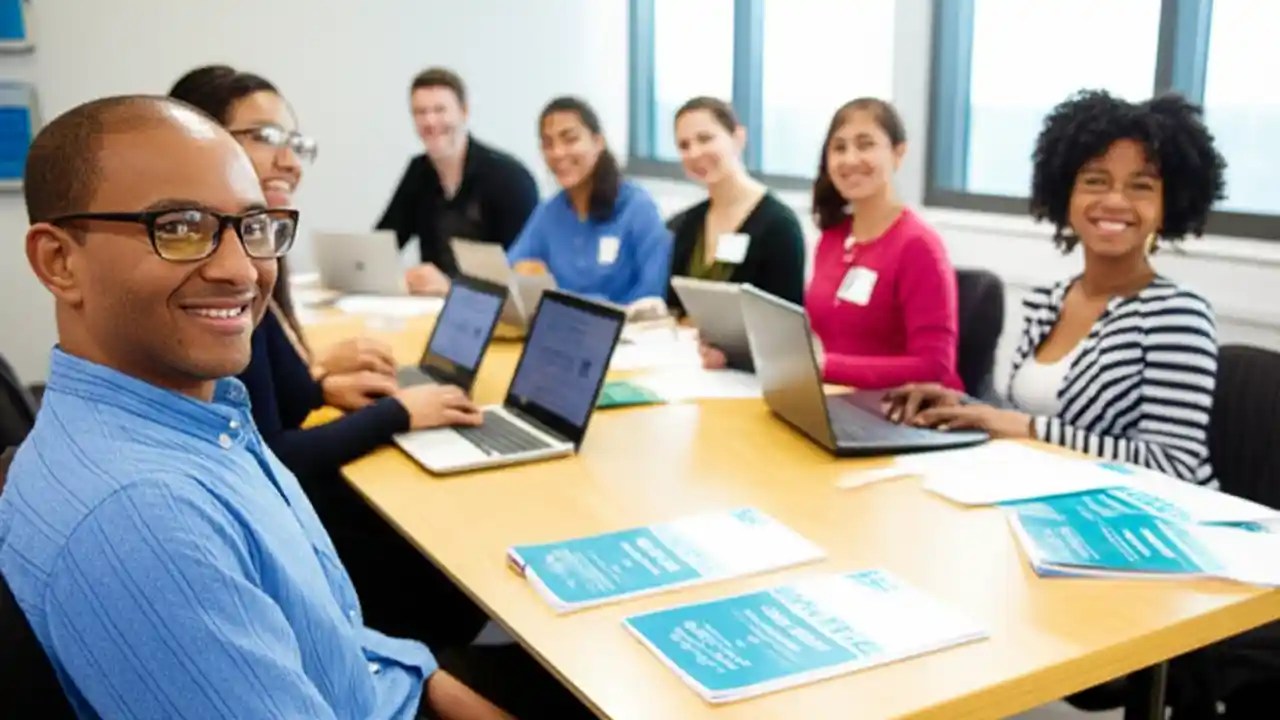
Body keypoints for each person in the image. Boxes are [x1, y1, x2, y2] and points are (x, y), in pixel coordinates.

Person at [0, 94, 508, 719]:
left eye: (255, 227)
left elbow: (335, 640)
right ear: (59, 262)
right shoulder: (145, 517)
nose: (242, 270)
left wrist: (437, 687)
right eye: (180, 229)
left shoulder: (200, 419)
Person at [169, 66, 489, 653]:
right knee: (453, 547)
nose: (290, 160)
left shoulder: (262, 248)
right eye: (266, 137)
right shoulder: (218, 277)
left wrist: (320, 384)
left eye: (295, 143)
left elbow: (274, 406)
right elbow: (272, 448)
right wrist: (398, 413)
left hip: (277, 511)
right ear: (201, 139)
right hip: (278, 541)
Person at [885, 90, 1222, 488]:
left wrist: (1022, 426)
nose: (1115, 200)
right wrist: (965, 405)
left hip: (1152, 528)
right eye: (1095, 181)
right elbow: (1023, 416)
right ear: (1067, 195)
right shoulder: (1047, 301)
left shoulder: (1178, 314)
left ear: (1169, 206)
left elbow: (1173, 466)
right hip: (1055, 503)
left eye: (1141, 186)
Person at [806, 98, 963, 391]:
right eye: (839, 148)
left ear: (898, 153)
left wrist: (826, 366)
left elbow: (935, 366)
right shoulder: (832, 239)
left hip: (898, 415)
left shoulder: (918, 246)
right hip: (834, 402)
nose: (850, 159)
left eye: (865, 145)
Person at [665, 96, 806, 370]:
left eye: (705, 139)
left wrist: (730, 356)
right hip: (692, 367)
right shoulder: (685, 224)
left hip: (753, 375)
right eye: (684, 145)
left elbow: (785, 331)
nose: (694, 153)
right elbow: (675, 310)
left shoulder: (779, 225)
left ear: (737, 138)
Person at [378, 67, 540, 296]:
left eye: (440, 110)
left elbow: (524, 277)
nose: (430, 121)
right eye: (420, 112)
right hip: (429, 308)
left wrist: (451, 288)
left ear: (464, 112)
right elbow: (384, 245)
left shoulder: (509, 178)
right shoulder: (419, 171)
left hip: (494, 315)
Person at [507, 96, 672, 309]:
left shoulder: (637, 208)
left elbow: (652, 293)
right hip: (562, 329)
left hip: (627, 333)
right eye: (548, 144)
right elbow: (510, 271)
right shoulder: (550, 212)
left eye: (570, 139)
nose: (558, 153)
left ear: (598, 142)